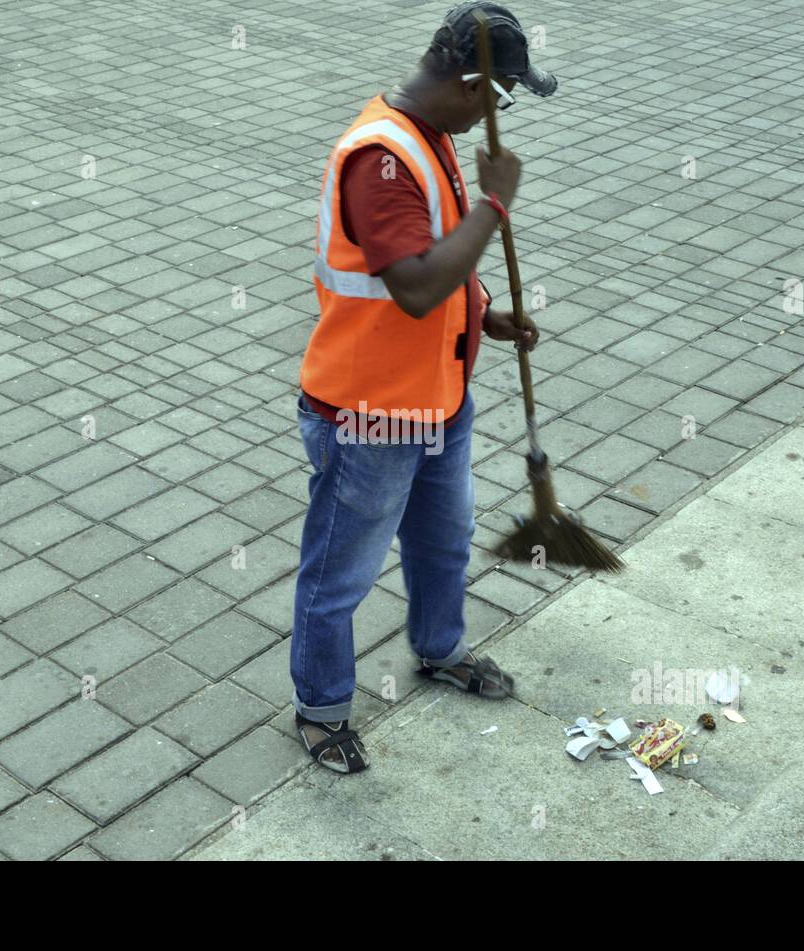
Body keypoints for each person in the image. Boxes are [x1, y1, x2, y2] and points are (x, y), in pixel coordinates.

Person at [291, 2, 556, 773]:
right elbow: (410, 285)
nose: (498, 115)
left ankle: (440, 649)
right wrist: (495, 202)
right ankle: (322, 706)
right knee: (340, 571)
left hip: (438, 397)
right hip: (368, 416)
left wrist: (482, 315)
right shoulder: (378, 158)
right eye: (502, 96)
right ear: (471, 82)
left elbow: (439, 267)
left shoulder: (431, 137)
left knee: (444, 542)